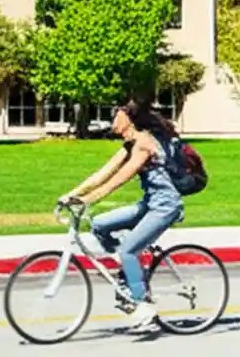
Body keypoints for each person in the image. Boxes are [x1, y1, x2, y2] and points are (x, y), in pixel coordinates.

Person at [59, 100, 183, 331]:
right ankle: (130, 270)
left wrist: (87, 200)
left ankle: (142, 305)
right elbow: (102, 174)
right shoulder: (130, 144)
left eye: (115, 114)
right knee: (99, 225)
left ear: (127, 118)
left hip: (165, 207)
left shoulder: (144, 144)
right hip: (149, 204)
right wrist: (71, 195)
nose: (112, 118)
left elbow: (119, 179)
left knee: (128, 249)